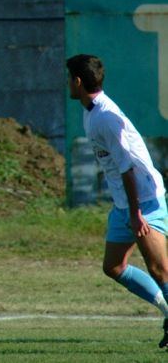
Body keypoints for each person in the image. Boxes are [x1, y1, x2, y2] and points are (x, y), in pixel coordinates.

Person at [67, 53, 168, 348]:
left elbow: (126, 167)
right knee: (113, 266)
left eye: (68, 80)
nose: (67, 85)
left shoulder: (105, 117)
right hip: (125, 203)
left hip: (144, 201)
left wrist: (136, 213)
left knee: (160, 269)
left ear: (77, 81)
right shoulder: (91, 111)